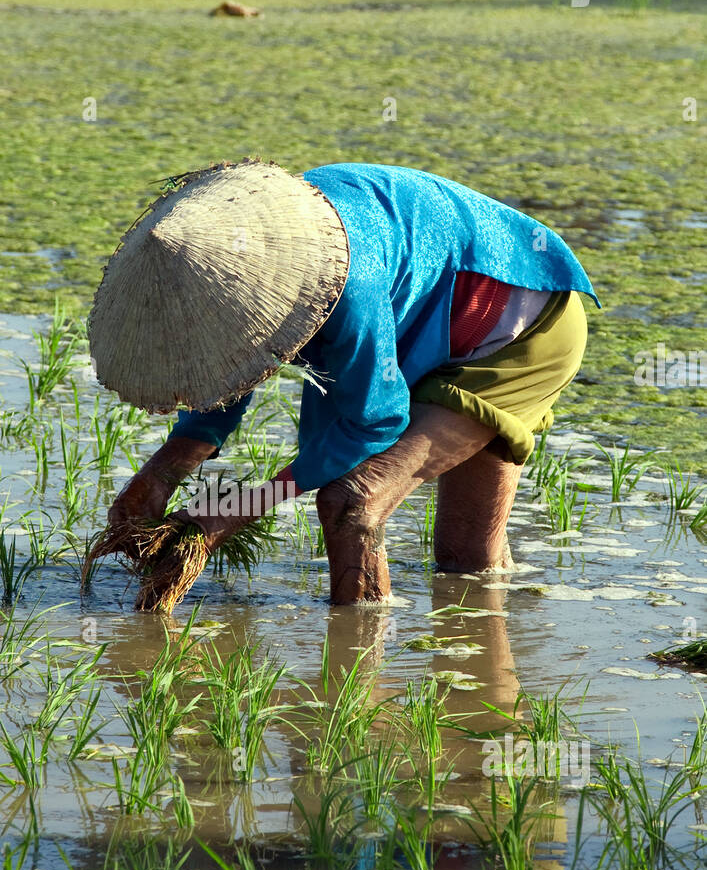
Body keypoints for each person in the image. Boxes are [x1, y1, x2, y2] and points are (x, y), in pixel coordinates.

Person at [89, 159, 598, 605]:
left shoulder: (343, 281)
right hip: (430, 319)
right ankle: (477, 659)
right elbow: (227, 365)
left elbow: (372, 423)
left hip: (522, 325)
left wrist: (229, 513)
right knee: (468, 565)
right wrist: (160, 475)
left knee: (352, 500)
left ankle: (354, 671)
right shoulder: (257, 256)